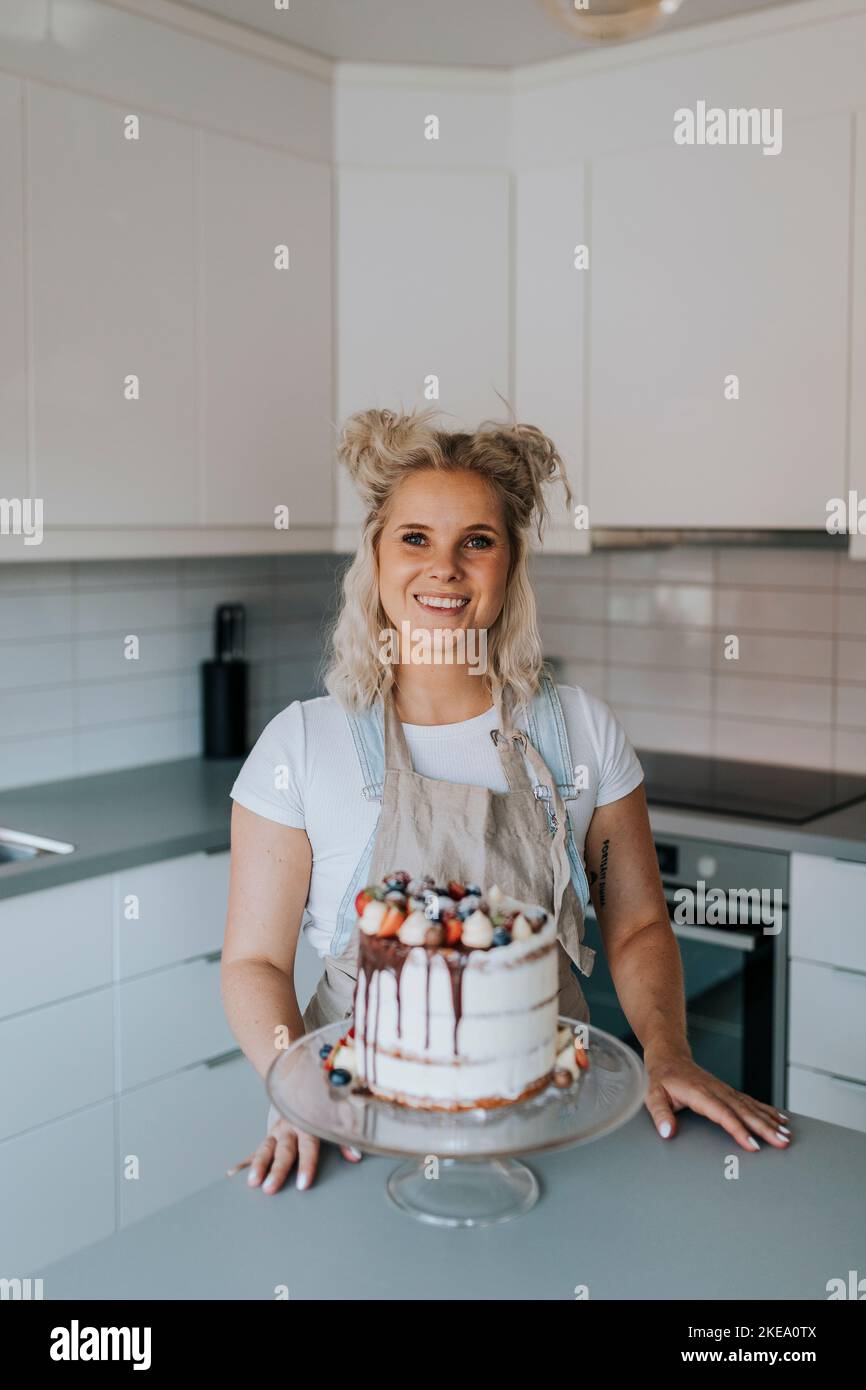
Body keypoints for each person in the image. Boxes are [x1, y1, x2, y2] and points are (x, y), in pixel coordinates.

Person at [222, 407, 791, 1194]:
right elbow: (255, 960)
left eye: (476, 542)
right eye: (415, 538)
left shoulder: (580, 732)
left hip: (550, 1121)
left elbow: (636, 926)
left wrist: (668, 1054)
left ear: (511, 562)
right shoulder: (303, 746)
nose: (444, 568)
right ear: (376, 557)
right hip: (356, 1129)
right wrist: (295, 1089)